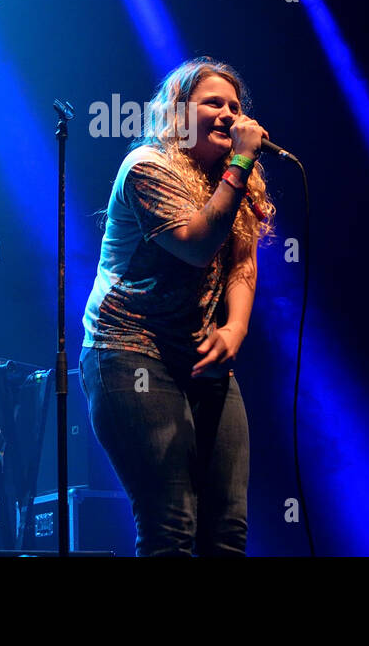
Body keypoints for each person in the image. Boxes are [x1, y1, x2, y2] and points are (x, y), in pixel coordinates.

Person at [81, 56, 276, 556]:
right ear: (177, 113)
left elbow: (242, 265)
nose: (229, 114)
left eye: (235, 105)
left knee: (227, 531)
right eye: (213, 102)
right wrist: (239, 164)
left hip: (202, 356)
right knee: (171, 526)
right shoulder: (149, 166)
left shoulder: (238, 182)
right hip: (129, 352)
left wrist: (234, 331)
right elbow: (194, 243)